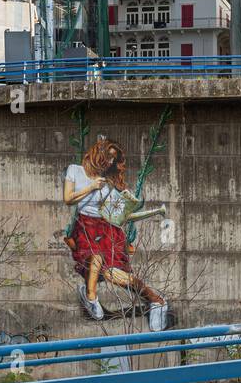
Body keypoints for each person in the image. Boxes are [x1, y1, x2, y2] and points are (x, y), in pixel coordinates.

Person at [63, 136, 171, 331]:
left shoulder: (109, 185)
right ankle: (91, 296)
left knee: (115, 275)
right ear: (98, 153)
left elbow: (118, 216)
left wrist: (138, 209)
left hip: (106, 228)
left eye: (114, 159)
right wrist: (91, 187)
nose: (110, 162)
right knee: (94, 258)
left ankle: (156, 300)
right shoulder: (75, 171)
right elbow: (68, 199)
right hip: (84, 226)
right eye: (109, 156)